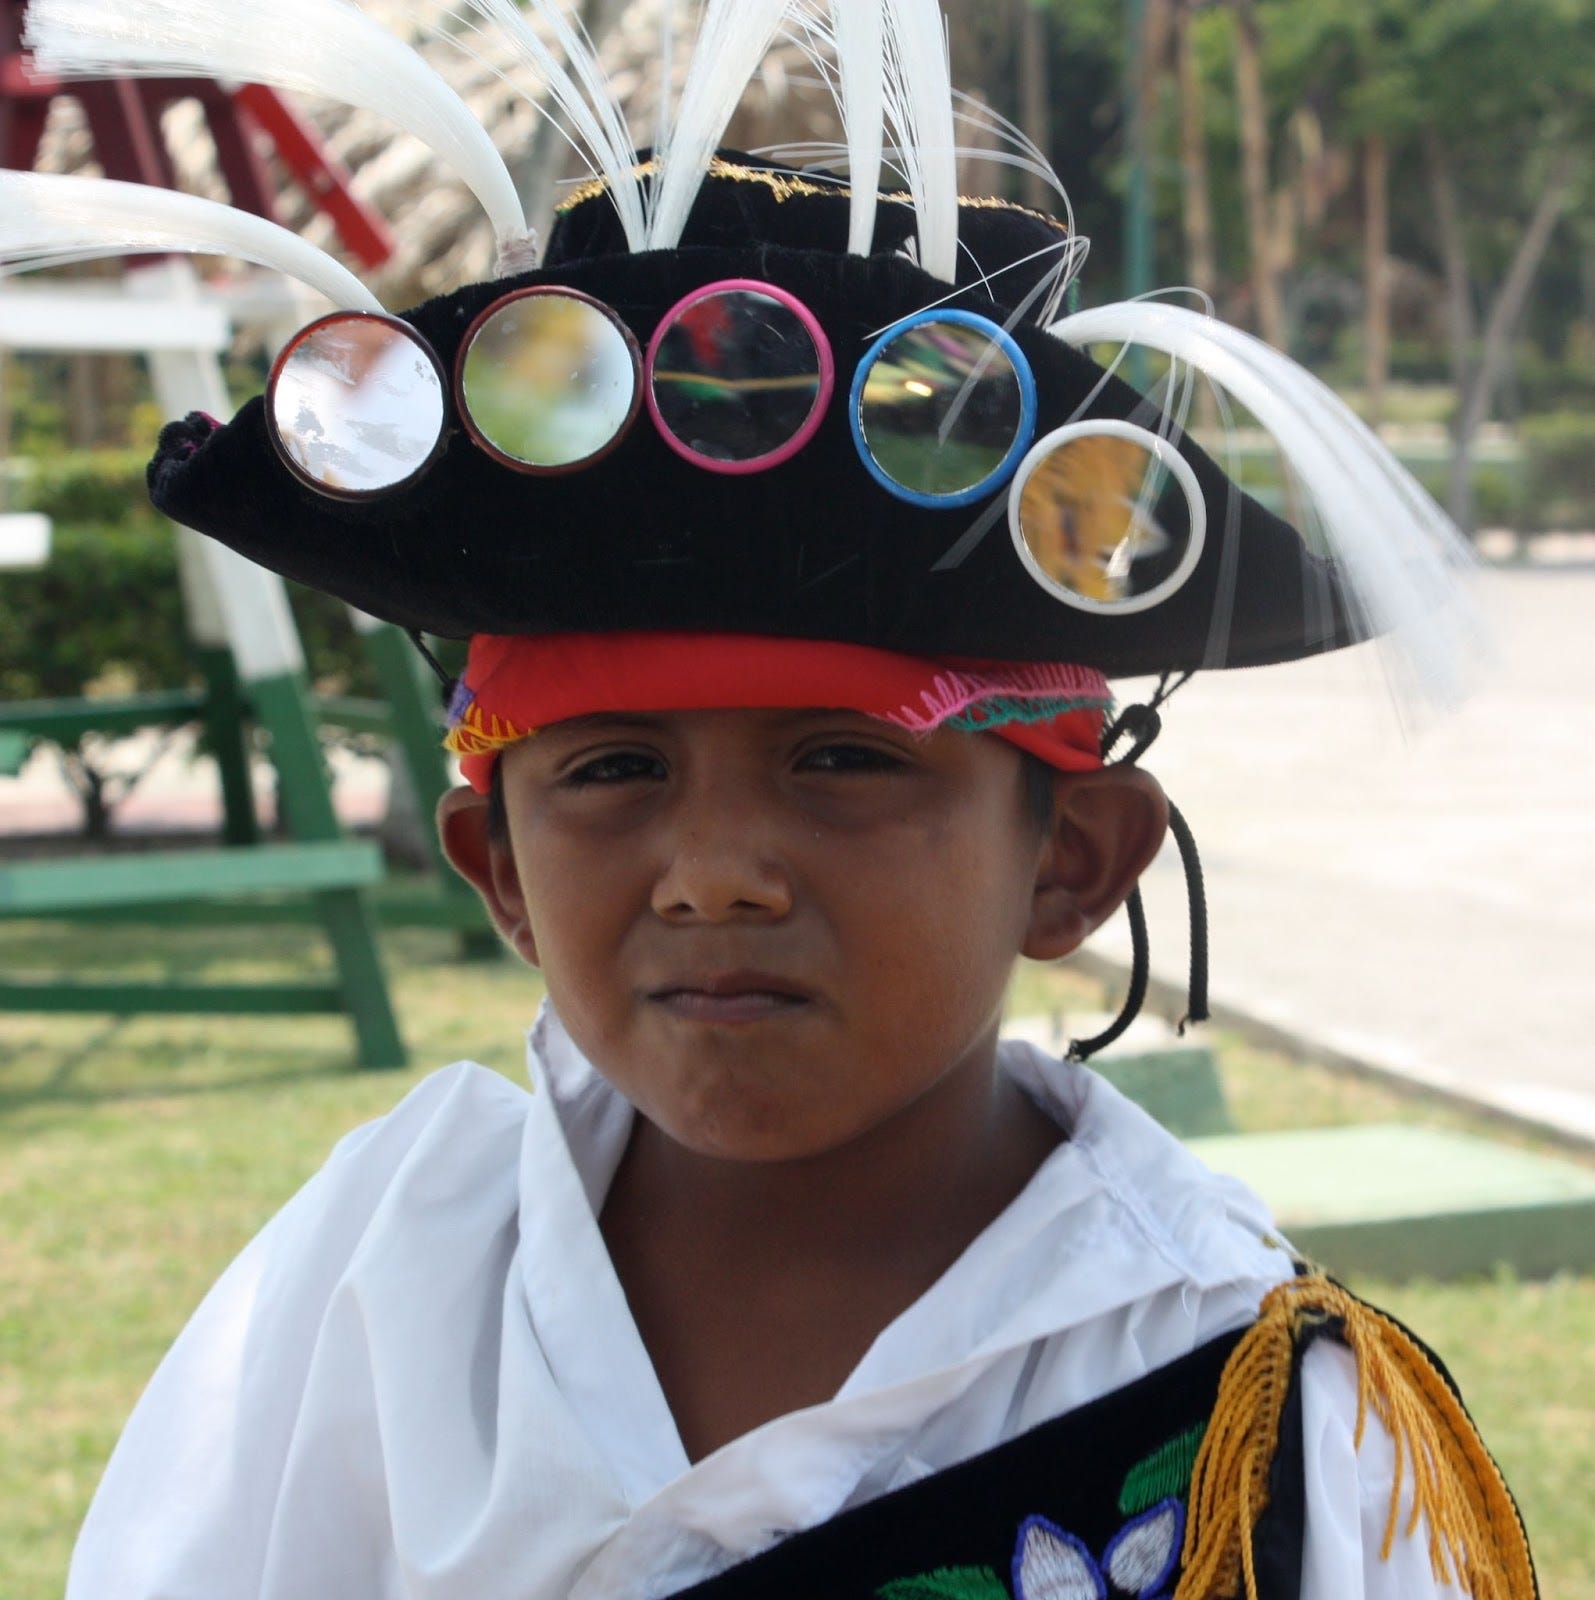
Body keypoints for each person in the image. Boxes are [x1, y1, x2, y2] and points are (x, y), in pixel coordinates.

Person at [7, 1, 1531, 1596]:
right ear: (496, 868)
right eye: (611, 769)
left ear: (1073, 861)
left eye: (844, 759)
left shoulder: (1246, 1399)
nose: (715, 872)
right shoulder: (381, 1291)